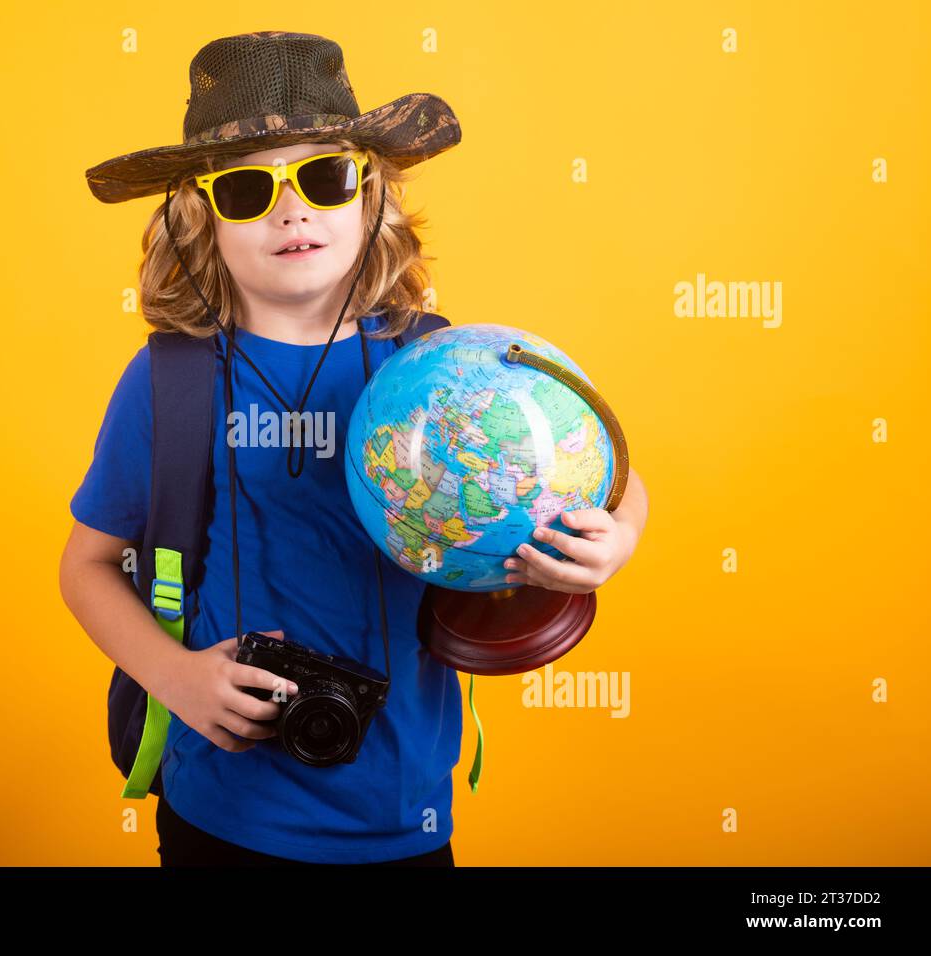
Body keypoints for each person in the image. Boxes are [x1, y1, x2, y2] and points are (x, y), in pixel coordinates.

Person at [60, 32, 649, 867]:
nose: (291, 210)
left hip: (406, 813)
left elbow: (618, 482)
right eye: (246, 189)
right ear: (200, 218)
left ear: (374, 199)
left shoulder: (453, 373)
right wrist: (176, 678)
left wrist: (615, 540)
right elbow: (85, 565)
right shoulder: (173, 382)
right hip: (221, 815)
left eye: (325, 177)